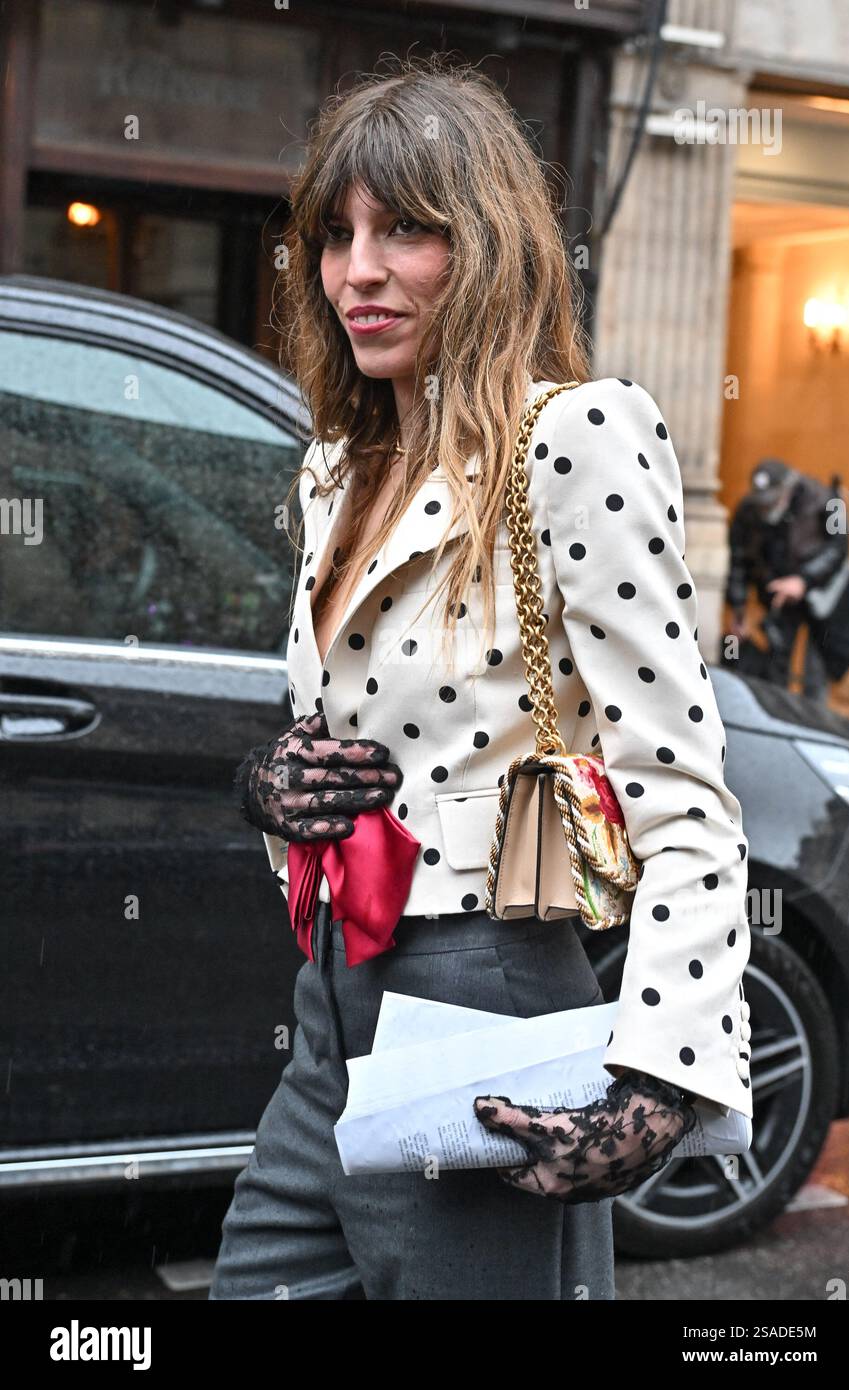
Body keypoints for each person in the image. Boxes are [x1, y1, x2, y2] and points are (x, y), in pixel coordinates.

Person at [208, 54, 752, 1302]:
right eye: (336, 234)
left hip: (484, 998)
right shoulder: (337, 467)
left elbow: (684, 791)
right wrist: (276, 791)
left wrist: (660, 1081)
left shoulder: (577, 435)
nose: (359, 271)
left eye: (407, 230)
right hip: (335, 987)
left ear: (490, 243)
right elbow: (338, 737)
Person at [726, 458, 849, 702]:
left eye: (772, 499)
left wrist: (803, 581)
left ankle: (814, 725)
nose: (766, 507)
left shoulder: (824, 499)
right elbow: (738, 560)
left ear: (789, 487)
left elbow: (839, 549)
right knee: (776, 663)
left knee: (816, 669)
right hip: (778, 596)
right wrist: (738, 609)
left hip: (820, 595)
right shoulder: (748, 510)